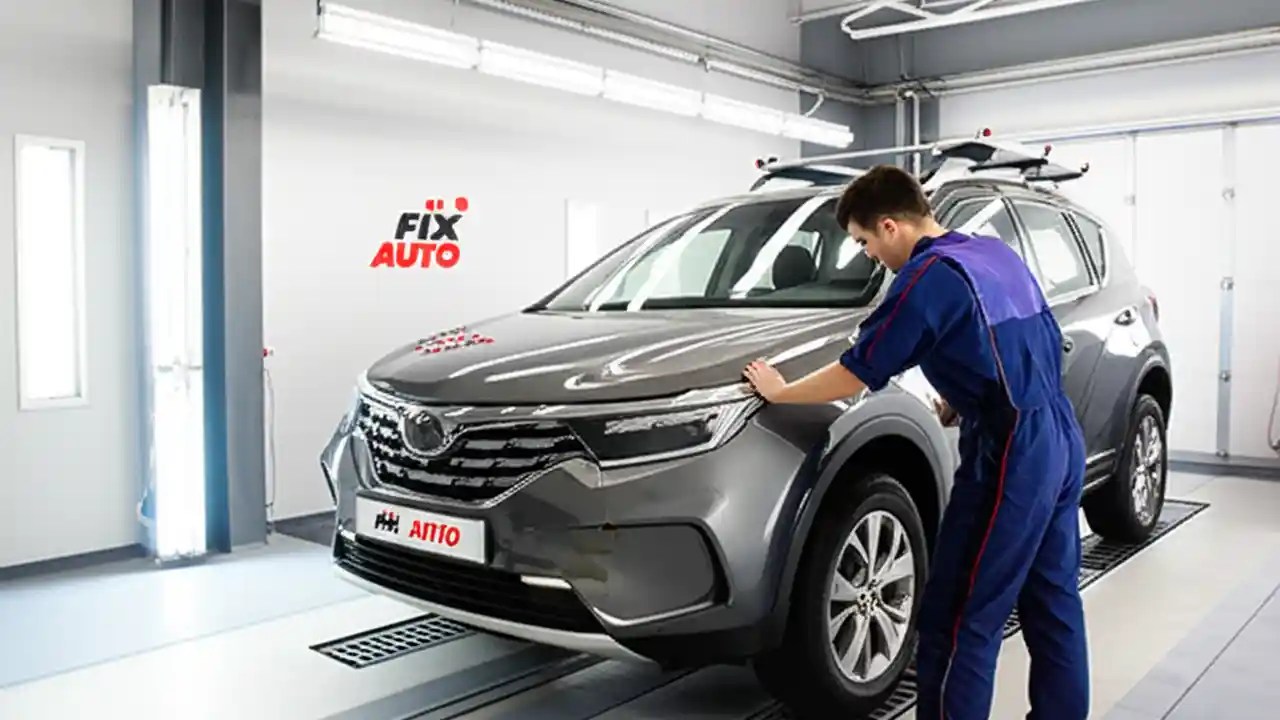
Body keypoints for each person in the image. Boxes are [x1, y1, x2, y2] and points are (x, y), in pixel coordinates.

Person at [742, 165, 1089, 719]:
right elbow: (1034, 338)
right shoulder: (991, 253)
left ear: (889, 226)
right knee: (1054, 603)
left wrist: (781, 392)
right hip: (1059, 434)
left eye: (864, 242)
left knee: (958, 615)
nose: (868, 256)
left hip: (1011, 454)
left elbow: (859, 370)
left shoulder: (927, 277)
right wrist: (969, 396)